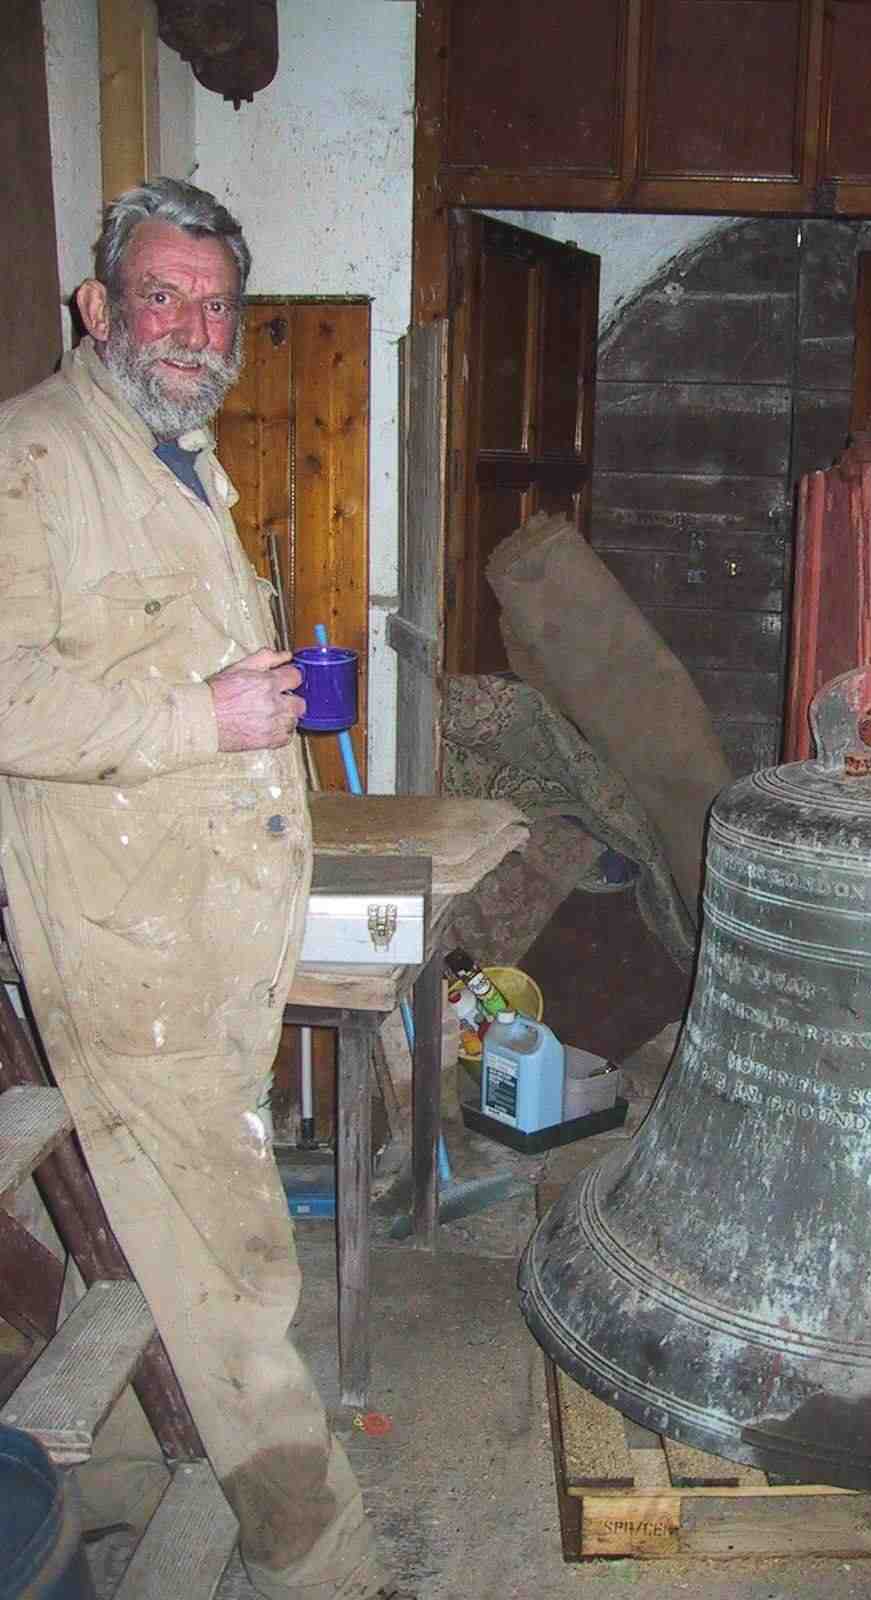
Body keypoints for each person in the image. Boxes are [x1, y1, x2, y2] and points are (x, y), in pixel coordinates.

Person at [0, 179, 393, 1599]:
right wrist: (198, 716)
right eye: (161, 296)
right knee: (235, 1274)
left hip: (207, 936)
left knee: (220, 1241)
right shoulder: (34, 457)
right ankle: (321, 1563)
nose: (192, 327)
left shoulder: (178, 456)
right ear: (97, 308)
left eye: (216, 303)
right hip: (128, 949)